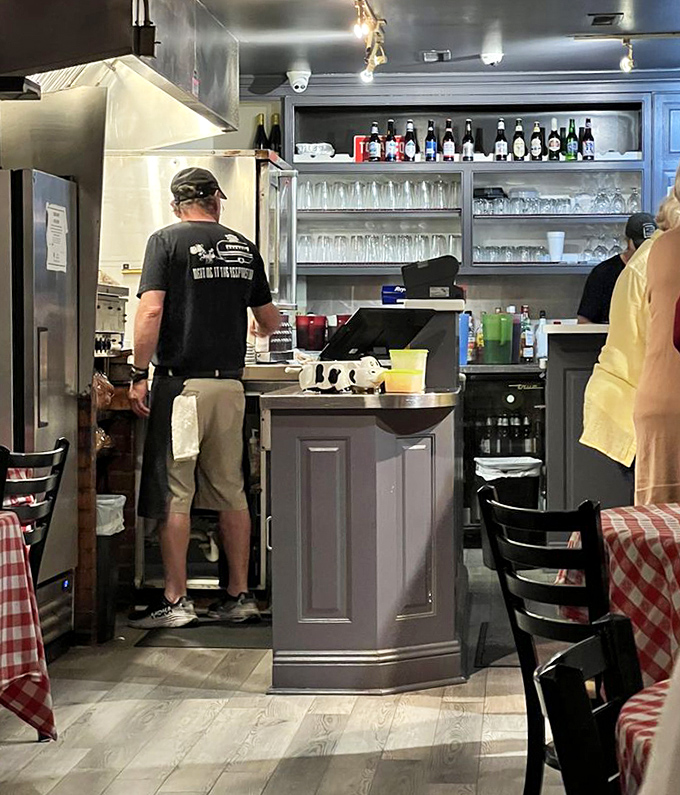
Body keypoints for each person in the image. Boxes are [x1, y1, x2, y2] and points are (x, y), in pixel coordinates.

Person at [127, 167, 281, 629]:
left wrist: (138, 372)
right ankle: (239, 596)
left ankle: (175, 602)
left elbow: (151, 309)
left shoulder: (165, 242)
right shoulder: (242, 245)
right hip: (229, 388)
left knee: (177, 493)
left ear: (177, 205)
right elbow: (271, 320)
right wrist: (253, 326)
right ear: (216, 200)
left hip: (182, 387)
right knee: (232, 492)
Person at [580, 196, 680, 470]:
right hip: (634, 407)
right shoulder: (659, 262)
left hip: (632, 403)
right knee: (658, 508)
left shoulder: (652, 258)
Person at [577, 212, 658, 324]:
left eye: (649, 246)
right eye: (640, 246)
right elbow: (584, 321)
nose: (644, 251)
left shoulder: (659, 272)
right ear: (628, 241)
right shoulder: (603, 273)